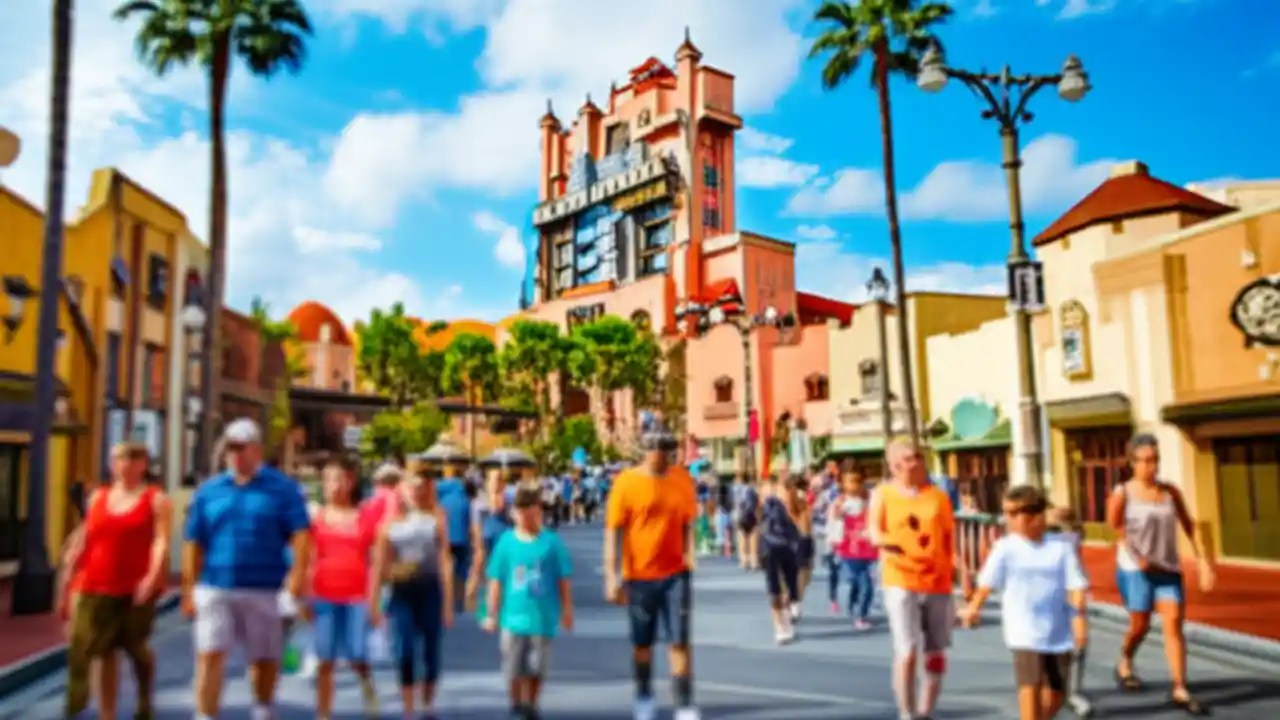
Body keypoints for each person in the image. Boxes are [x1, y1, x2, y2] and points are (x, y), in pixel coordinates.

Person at [183, 419, 311, 720]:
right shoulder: (209, 491)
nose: (236, 455)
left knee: (263, 658)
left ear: (257, 450)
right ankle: (204, 715)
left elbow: (301, 536)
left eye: (242, 448)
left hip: (264, 587)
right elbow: (193, 542)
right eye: (231, 449)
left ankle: (263, 707)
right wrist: (190, 589)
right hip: (215, 584)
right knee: (210, 654)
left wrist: (295, 582)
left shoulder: (282, 489)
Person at [1106, 433, 1215, 716]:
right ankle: (1125, 659)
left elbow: (1190, 525)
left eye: (1155, 460)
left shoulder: (1170, 492)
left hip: (1167, 568)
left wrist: (1203, 562)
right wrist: (1136, 556)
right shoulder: (1123, 493)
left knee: (1174, 625)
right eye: (1145, 461)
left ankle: (1180, 687)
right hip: (1136, 570)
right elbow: (1115, 528)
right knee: (1140, 625)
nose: (1151, 466)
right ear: (1133, 463)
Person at [959, 486, 1089, 720]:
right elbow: (986, 583)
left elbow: (1076, 585)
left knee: (1057, 694)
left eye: (1015, 512)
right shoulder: (1005, 547)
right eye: (1007, 513)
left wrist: (1079, 619)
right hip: (1024, 629)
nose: (1010, 519)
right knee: (1030, 684)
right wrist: (974, 608)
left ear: (1036, 514)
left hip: (1058, 630)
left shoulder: (1060, 547)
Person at [63, 442, 171, 720]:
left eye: (133, 459)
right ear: (112, 464)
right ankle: (105, 714)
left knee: (136, 649)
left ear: (143, 465)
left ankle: (145, 700)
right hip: (93, 583)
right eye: (120, 459)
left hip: (134, 587)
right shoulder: (97, 496)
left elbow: (161, 540)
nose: (126, 465)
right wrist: (69, 565)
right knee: (101, 651)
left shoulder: (156, 499)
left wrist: (151, 576)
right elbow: (87, 532)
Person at [604, 426, 699, 720]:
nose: (660, 458)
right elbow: (614, 530)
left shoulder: (682, 479)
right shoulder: (626, 483)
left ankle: (683, 703)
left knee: (679, 641)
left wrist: (691, 555)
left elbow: (688, 522)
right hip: (639, 576)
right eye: (655, 452)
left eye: (666, 452)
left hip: (675, 573)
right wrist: (611, 575)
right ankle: (644, 696)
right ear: (645, 453)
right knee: (642, 644)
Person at [869, 437, 956, 720]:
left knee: (936, 651)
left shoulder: (938, 497)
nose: (915, 462)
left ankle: (926, 710)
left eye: (918, 456)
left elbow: (947, 538)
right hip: (901, 579)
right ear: (894, 465)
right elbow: (874, 532)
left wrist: (961, 574)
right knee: (906, 649)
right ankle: (906, 711)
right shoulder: (883, 494)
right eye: (908, 458)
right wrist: (890, 542)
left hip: (937, 582)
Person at [481, 485, 575, 720]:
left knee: (536, 667)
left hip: (543, 618)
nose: (526, 519)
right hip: (512, 618)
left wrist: (567, 610)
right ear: (514, 514)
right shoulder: (506, 542)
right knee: (513, 666)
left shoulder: (551, 543)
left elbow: (563, 578)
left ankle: (531, 706)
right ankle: (516, 705)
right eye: (521, 514)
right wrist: (490, 613)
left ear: (539, 512)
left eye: (531, 514)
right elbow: (496, 580)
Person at [370, 468, 455, 718]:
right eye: (411, 486)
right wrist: (374, 601)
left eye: (420, 486)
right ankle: (409, 709)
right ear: (402, 490)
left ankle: (427, 703)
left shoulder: (437, 519)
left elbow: (445, 561)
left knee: (431, 651)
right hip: (401, 592)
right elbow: (379, 565)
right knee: (404, 649)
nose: (415, 491)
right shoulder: (389, 525)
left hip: (429, 589)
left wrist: (448, 602)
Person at [307, 459, 378, 720]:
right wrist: (304, 593)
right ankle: (323, 713)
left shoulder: (364, 518)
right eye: (329, 481)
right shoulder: (316, 519)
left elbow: (375, 560)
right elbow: (308, 557)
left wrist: (375, 598)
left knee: (357, 653)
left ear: (349, 482)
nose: (334, 486)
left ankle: (367, 686)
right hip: (324, 595)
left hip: (356, 596)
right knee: (325, 659)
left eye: (339, 480)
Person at [1048, 505, 1093, 718]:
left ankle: (1074, 691)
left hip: (1072, 588)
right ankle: (1054, 686)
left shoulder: (1074, 534)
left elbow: (1077, 559)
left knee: (1080, 640)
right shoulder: (1041, 534)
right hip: (1047, 591)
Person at [759, 474, 803, 644]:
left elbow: (795, 524)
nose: (770, 491)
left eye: (773, 487)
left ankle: (786, 618)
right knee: (774, 590)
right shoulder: (762, 506)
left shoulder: (785, 504)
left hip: (787, 547)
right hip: (769, 550)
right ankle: (779, 626)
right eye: (766, 488)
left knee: (791, 587)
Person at [832, 470, 878, 629]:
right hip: (850, 551)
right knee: (863, 584)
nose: (854, 485)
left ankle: (857, 610)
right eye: (850, 481)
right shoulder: (840, 502)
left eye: (857, 481)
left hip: (867, 550)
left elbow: (874, 519)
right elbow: (835, 524)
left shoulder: (869, 500)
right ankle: (860, 615)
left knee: (863, 584)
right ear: (843, 484)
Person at [436, 462, 473, 613]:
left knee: (445, 569)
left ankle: (446, 600)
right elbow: (469, 521)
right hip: (462, 538)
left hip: (446, 538)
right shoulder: (464, 498)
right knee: (461, 570)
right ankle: (459, 602)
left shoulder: (441, 498)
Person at [732, 474, 760, 571]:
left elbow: (735, 504)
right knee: (752, 540)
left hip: (741, 516)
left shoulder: (736, 490)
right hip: (752, 516)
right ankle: (754, 562)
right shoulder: (753, 490)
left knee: (742, 539)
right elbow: (756, 504)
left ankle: (744, 561)